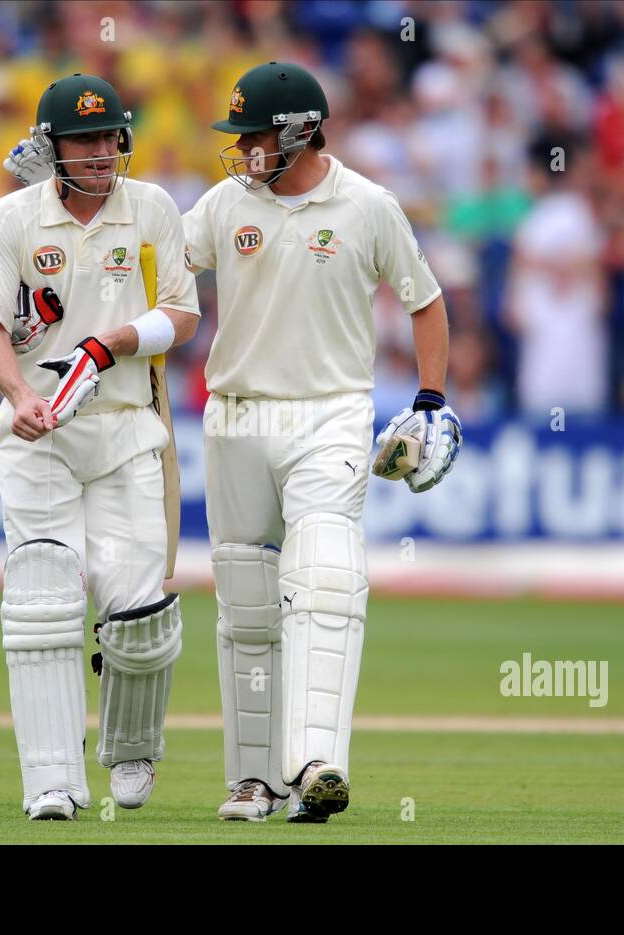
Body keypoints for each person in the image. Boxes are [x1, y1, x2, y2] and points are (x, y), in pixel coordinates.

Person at [185, 62, 461, 822]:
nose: (242, 149)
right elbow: (164, 277)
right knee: (246, 599)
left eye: (253, 135)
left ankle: (315, 763)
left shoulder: (368, 204)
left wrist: (430, 402)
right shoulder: (224, 203)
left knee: (325, 578)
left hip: (331, 413)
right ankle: (251, 780)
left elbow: (426, 302)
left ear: (300, 131)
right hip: (236, 412)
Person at [0, 74, 199, 820]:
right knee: (42, 599)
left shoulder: (153, 208)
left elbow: (184, 316)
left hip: (128, 424)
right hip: (39, 435)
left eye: (110, 137)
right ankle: (51, 781)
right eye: (84, 141)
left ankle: (131, 747)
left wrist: (114, 343)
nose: (101, 153)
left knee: (139, 612)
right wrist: (18, 396)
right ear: (50, 147)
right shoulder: (10, 218)